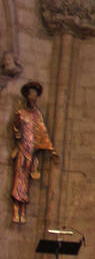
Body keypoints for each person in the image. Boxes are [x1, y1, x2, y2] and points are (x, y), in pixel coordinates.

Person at [10, 81, 58, 224]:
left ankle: (23, 211)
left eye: (35, 95)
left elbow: (42, 132)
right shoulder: (21, 113)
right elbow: (16, 128)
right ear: (27, 96)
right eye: (31, 95)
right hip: (22, 149)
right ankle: (16, 211)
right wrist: (17, 132)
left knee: (25, 183)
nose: (33, 98)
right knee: (19, 180)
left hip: (32, 151)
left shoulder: (37, 114)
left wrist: (51, 149)